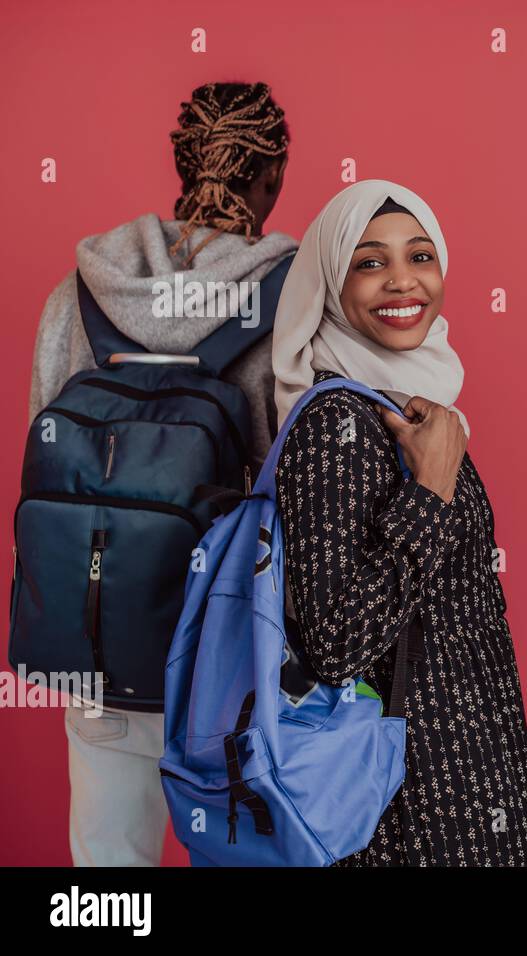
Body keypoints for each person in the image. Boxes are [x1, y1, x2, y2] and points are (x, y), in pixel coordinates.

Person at [26, 81, 295, 866]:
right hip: (231, 651)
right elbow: (303, 481)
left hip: (99, 642)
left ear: (180, 164)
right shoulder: (291, 295)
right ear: (272, 178)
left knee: (111, 887)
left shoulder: (79, 290)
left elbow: (51, 450)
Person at [270, 180, 527, 866]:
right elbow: (335, 645)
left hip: (477, 769)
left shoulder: (411, 408)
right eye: (369, 262)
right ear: (332, 284)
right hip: (411, 799)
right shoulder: (333, 425)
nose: (402, 280)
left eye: (420, 256)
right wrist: (428, 492)